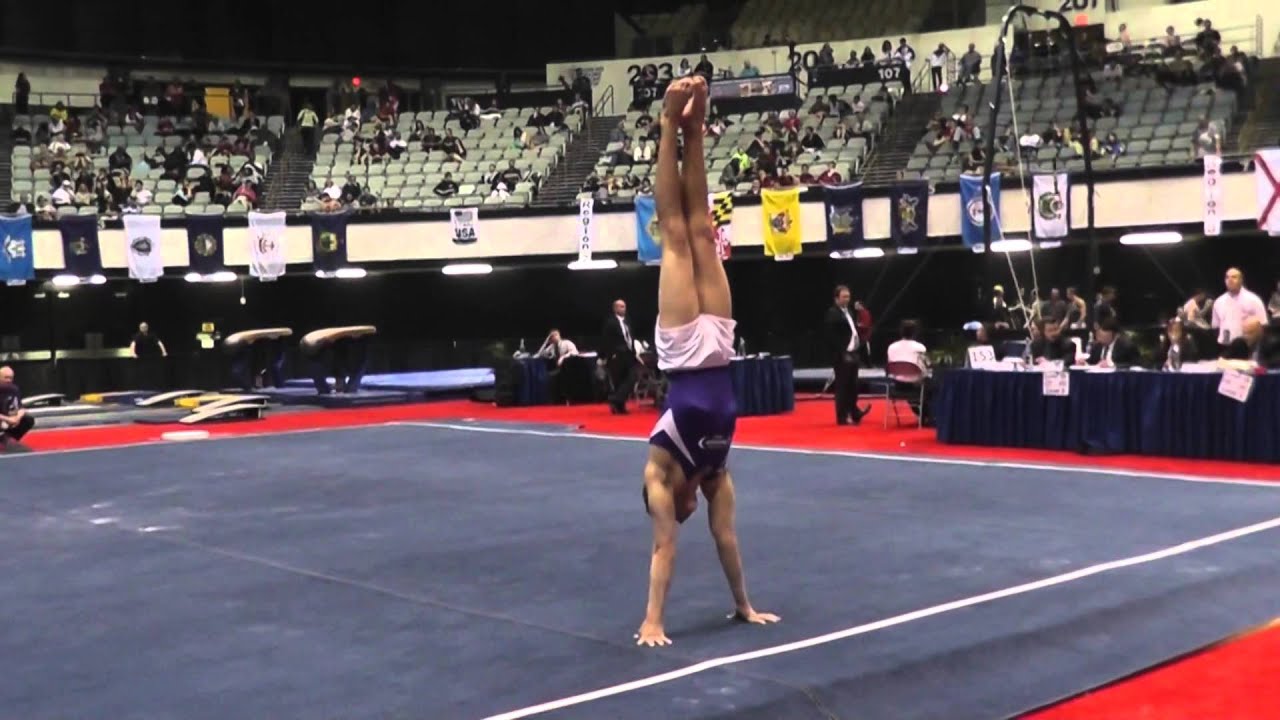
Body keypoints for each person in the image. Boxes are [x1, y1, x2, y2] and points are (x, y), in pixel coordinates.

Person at [637, 75, 778, 648]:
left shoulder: (660, 475)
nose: (693, 506)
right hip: (718, 351)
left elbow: (663, 545)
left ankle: (669, 122)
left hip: (680, 355)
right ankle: (696, 128)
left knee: (673, 236)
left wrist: (653, 619)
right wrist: (744, 605)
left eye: (686, 506)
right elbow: (727, 540)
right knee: (703, 230)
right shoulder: (718, 478)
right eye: (693, 506)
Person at [824, 285, 870, 425]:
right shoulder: (833, 313)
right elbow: (831, 336)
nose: (847, 299)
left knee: (853, 385)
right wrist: (841, 351)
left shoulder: (848, 311)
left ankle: (854, 412)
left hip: (853, 352)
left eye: (848, 296)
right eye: (844, 297)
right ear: (836, 298)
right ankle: (842, 417)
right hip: (842, 354)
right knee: (843, 387)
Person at [0, 366, 34, 451]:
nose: (8, 380)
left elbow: (21, 408)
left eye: (10, 378)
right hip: (3, 419)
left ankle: (8, 439)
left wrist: (17, 418)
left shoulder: (14, 389)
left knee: (28, 419)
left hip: (6, 419)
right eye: (6, 378)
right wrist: (8, 419)